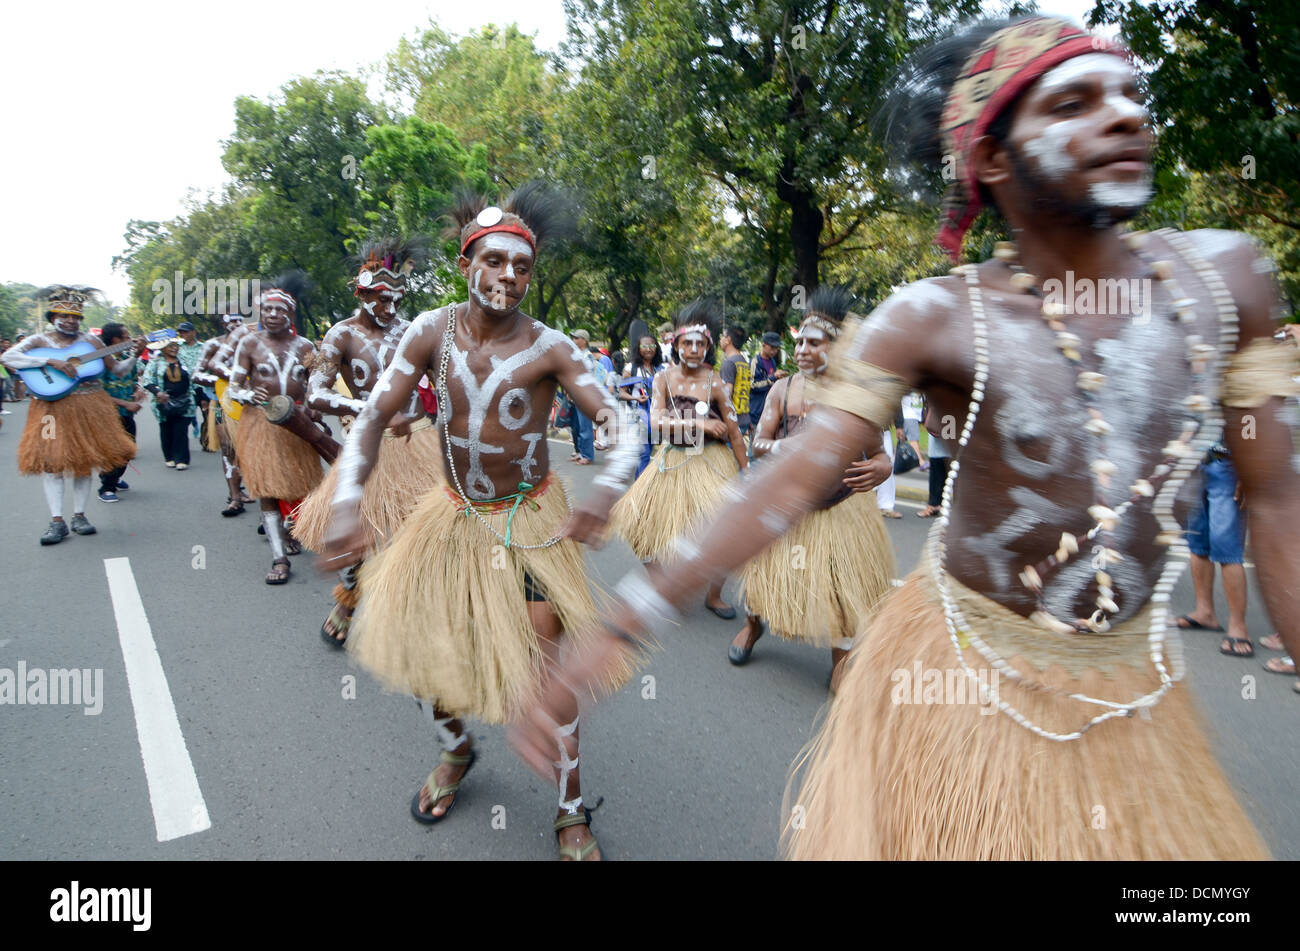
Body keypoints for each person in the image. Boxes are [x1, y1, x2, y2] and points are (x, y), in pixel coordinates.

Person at [512, 16, 1300, 860]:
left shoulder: (1228, 281)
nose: (1124, 116)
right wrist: (622, 618)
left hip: (1135, 698)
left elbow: (1279, 498)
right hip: (967, 682)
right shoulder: (935, 318)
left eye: (1128, 94)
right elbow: (786, 479)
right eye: (1071, 101)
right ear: (990, 159)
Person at [318, 185, 641, 860]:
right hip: (454, 516)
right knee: (427, 657)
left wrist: (606, 489)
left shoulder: (552, 346)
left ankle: (571, 806)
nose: (509, 278)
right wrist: (347, 499)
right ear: (468, 264)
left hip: (529, 522)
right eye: (494, 262)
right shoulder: (429, 330)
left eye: (521, 267)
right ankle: (456, 749)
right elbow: (375, 414)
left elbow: (621, 424)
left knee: (546, 662)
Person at [729, 287, 894, 690]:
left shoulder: (857, 398)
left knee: (840, 586)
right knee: (766, 573)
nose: (801, 349)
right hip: (788, 503)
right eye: (798, 341)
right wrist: (788, 446)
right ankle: (753, 625)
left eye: (813, 342)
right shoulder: (783, 390)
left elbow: (881, 455)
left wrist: (880, 469)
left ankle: (841, 655)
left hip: (843, 508)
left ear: (834, 348)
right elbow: (758, 443)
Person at [292, 235, 441, 647]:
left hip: (418, 439)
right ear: (360, 292)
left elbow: (443, 386)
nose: (389, 307)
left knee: (427, 528)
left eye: (396, 298)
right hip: (369, 445)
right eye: (379, 298)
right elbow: (314, 395)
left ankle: (415, 608)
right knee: (360, 530)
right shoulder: (338, 335)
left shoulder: (413, 331)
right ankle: (348, 600)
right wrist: (363, 409)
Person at [610, 298, 748, 618]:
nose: (694, 349)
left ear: (708, 348)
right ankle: (660, 585)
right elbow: (656, 422)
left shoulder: (715, 383)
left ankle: (714, 594)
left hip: (711, 461)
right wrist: (699, 423)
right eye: (688, 343)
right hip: (671, 458)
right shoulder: (663, 379)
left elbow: (736, 432)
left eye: (701, 344)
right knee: (638, 523)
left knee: (721, 531)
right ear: (676, 345)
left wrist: (747, 471)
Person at [0, 286, 137, 543]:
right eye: (65, 316)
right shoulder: (39, 341)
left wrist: (135, 354)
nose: (71, 321)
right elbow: (9, 357)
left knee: (83, 462)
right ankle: (56, 521)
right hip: (49, 410)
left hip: (88, 408)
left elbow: (118, 370)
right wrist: (50, 362)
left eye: (76, 317)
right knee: (52, 463)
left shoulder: (92, 342)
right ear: (53, 317)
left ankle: (79, 515)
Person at [227, 273, 323, 584]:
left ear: (290, 314)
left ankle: (291, 528)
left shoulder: (305, 345)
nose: (272, 315)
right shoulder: (249, 343)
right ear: (261, 313)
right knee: (267, 489)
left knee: (301, 484)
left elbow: (319, 382)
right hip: (261, 423)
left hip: (297, 421)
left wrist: (312, 405)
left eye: (280, 310)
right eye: (267, 310)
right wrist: (247, 394)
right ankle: (279, 557)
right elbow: (233, 387)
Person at [1174, 442, 1252, 656]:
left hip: (1228, 465)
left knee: (1227, 550)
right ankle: (1205, 612)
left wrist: (1247, 471)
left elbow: (1250, 420)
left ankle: (1238, 627)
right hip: (1195, 462)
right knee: (1198, 542)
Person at [193, 311, 253, 515]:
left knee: (255, 450)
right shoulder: (213, 345)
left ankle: (260, 492)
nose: (236, 324)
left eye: (239, 320)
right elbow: (197, 374)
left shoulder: (254, 343)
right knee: (229, 450)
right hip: (221, 403)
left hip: (253, 404)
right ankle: (235, 497)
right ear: (223, 323)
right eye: (231, 320)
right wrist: (226, 380)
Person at [96, 323, 146, 502]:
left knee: (129, 450)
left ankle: (114, 478)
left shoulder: (128, 358)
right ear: (115, 340)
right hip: (107, 415)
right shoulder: (100, 362)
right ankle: (106, 488)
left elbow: (134, 380)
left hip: (127, 414)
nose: (129, 339)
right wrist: (125, 403)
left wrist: (138, 390)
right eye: (126, 336)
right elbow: (97, 394)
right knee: (113, 451)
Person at [142, 338, 195, 470]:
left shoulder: (184, 360)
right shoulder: (155, 363)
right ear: (163, 348)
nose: (174, 348)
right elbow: (147, 381)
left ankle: (182, 459)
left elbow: (194, 378)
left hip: (185, 401)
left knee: (181, 430)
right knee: (166, 429)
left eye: (176, 346)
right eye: (170, 346)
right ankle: (169, 457)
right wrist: (158, 392)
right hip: (164, 402)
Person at [617, 334, 664, 475]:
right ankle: (640, 492)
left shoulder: (661, 368)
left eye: (652, 346)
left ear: (656, 348)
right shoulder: (631, 368)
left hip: (657, 416)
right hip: (638, 417)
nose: (648, 349)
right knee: (643, 455)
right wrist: (636, 399)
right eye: (644, 346)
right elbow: (621, 393)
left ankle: (643, 487)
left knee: (652, 452)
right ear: (638, 349)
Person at [566, 328, 598, 464]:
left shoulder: (587, 357)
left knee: (585, 426)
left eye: (576, 338)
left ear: (584, 340)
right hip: (577, 395)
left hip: (585, 395)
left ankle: (588, 456)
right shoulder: (577, 355)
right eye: (573, 338)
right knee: (578, 426)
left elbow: (583, 376)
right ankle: (581, 452)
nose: (573, 340)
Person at [174, 321, 208, 445]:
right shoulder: (177, 347)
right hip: (186, 388)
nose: (183, 334)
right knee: (184, 418)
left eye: (186, 332)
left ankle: (207, 440)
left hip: (203, 386)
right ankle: (180, 446)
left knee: (209, 415)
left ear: (193, 332)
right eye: (181, 332)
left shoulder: (204, 347)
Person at [747, 330, 787, 432]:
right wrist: (773, 377)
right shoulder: (755, 362)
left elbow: (770, 382)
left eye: (777, 348)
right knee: (755, 443)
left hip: (769, 410)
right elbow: (752, 385)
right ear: (764, 345)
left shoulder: (772, 361)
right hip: (756, 411)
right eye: (772, 348)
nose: (774, 351)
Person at [917, 402, 952, 518]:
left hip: (949, 417)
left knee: (948, 466)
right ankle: (934, 504)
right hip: (941, 417)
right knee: (937, 467)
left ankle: (935, 504)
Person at [718, 325, 753, 437]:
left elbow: (727, 392)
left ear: (728, 340)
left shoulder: (729, 363)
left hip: (732, 421)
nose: (721, 339)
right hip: (744, 418)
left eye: (722, 336)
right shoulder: (743, 361)